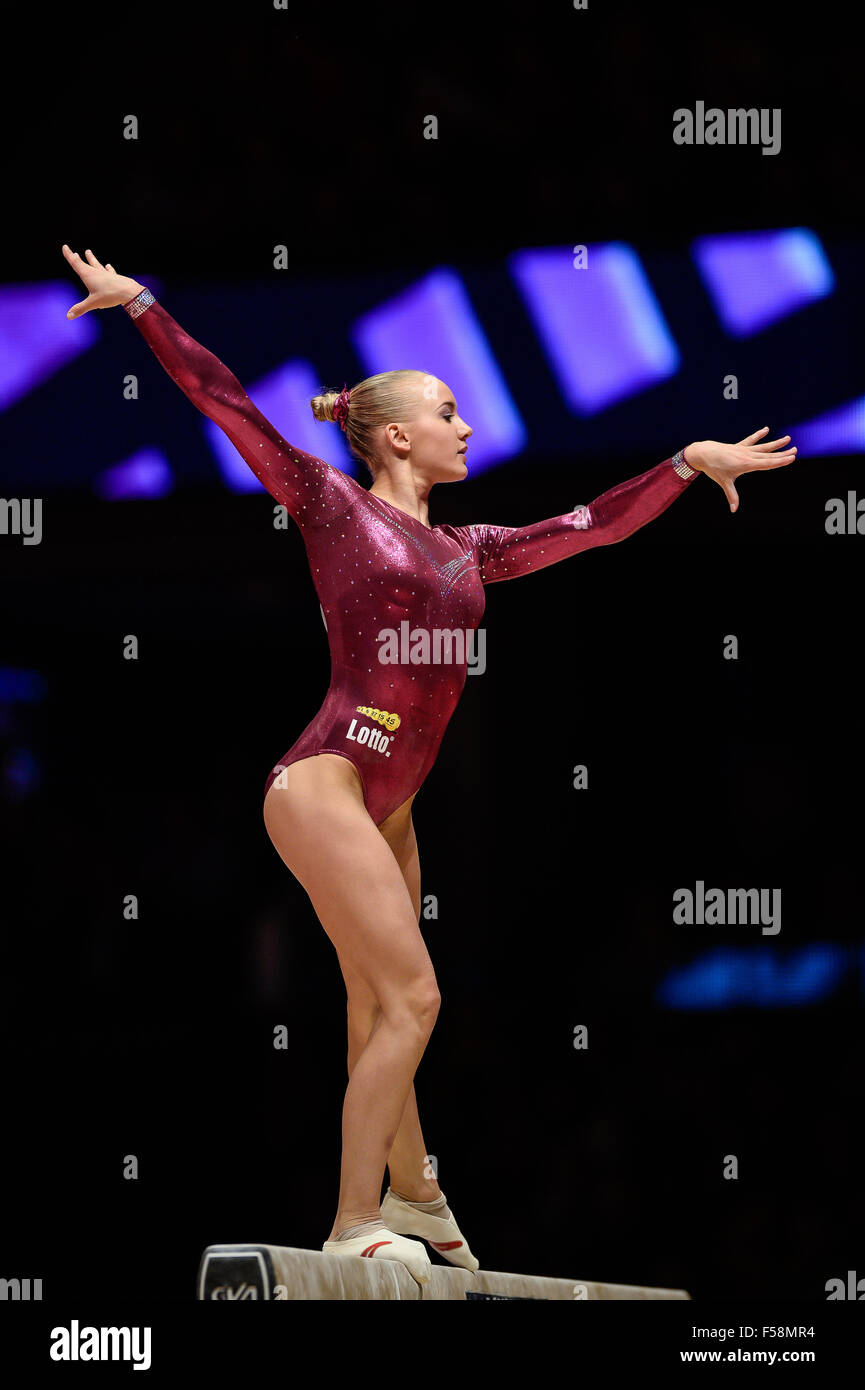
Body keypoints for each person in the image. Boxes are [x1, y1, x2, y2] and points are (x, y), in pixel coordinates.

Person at [62, 244, 797, 1287]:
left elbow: (586, 529)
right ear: (396, 434)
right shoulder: (327, 502)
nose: (464, 421)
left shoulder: (473, 547)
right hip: (322, 780)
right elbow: (226, 404)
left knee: (379, 1007)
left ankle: (416, 1189)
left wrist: (682, 463)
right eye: (447, 408)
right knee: (415, 999)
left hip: (389, 808)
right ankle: (356, 1216)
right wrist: (141, 305)